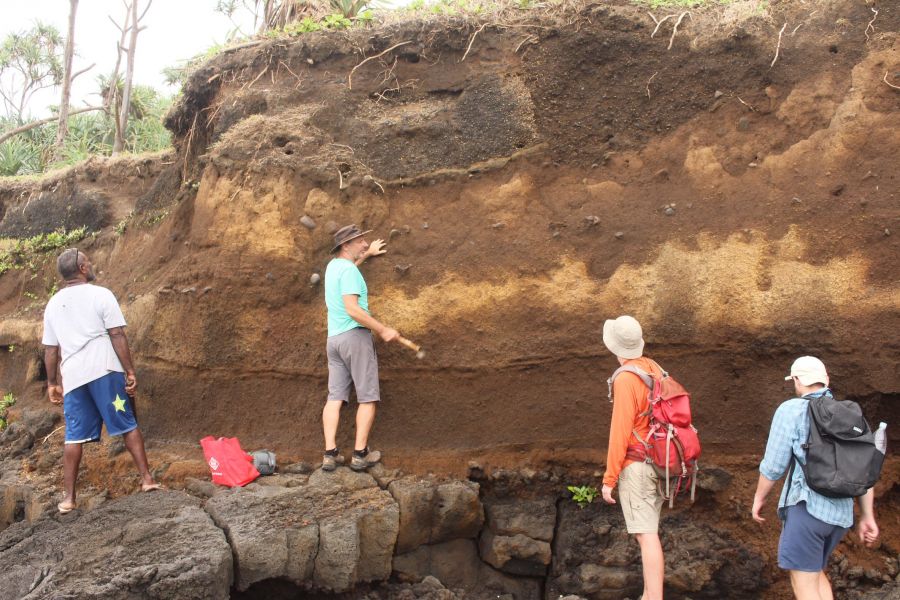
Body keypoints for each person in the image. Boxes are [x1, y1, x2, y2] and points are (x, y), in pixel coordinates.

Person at [42, 248, 160, 514]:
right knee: (127, 423)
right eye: (88, 262)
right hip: (105, 369)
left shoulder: (52, 304)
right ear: (82, 269)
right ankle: (147, 479)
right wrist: (129, 370)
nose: (91, 264)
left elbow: (51, 349)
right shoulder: (101, 294)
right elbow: (117, 334)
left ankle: (69, 499)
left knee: (73, 437)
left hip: (72, 377)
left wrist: (52, 383)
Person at [752, 356, 879, 600]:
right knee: (816, 574)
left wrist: (759, 498)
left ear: (797, 380)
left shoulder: (791, 410)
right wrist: (867, 516)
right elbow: (864, 471)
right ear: (826, 380)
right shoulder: (849, 414)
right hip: (840, 517)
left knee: (804, 584)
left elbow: (774, 465)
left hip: (807, 508)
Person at [322, 224, 400, 472]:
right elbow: (353, 310)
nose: (365, 243)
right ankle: (359, 454)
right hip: (355, 338)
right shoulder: (349, 272)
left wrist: (366, 256)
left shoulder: (333, 267)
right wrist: (383, 329)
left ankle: (330, 453)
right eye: (360, 241)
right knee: (367, 397)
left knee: (335, 397)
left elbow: (348, 274)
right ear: (346, 246)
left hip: (334, 341)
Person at [600, 315, 666, 600]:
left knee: (646, 535)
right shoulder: (653, 368)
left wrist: (609, 478)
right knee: (648, 531)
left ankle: (654, 597)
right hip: (661, 462)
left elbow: (620, 432)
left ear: (616, 347)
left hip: (638, 466)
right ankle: (649, 595)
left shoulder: (626, 379)